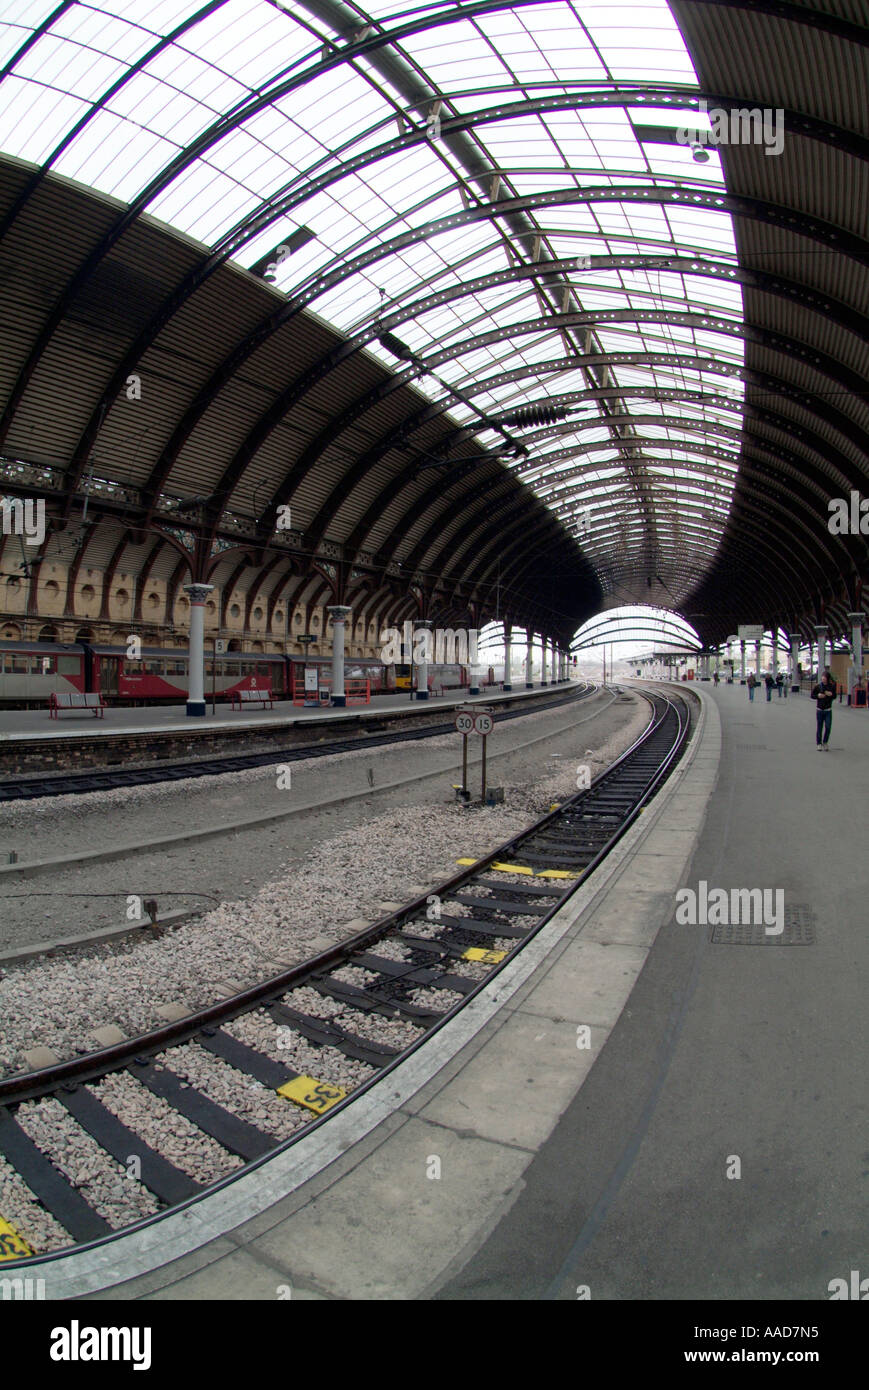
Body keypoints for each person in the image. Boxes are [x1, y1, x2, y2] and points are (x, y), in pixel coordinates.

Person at [811, 667, 836, 749]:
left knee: (828, 727)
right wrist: (818, 696)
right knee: (819, 727)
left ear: (828, 679)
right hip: (819, 710)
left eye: (825, 679)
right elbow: (812, 695)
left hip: (828, 710)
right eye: (822, 678)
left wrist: (831, 694)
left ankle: (825, 742)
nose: (823, 680)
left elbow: (835, 696)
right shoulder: (818, 686)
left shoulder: (831, 686)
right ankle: (819, 743)